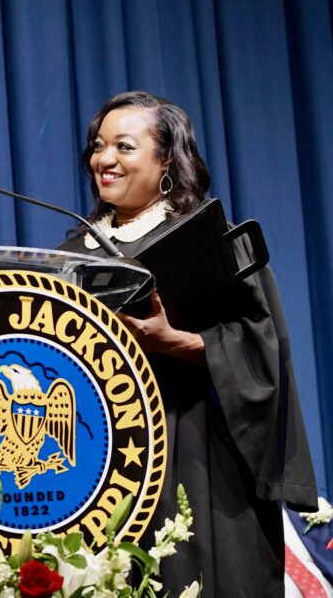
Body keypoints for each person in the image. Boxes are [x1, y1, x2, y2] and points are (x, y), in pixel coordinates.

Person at [58, 90, 318, 597]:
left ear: (166, 161)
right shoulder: (71, 255)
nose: (104, 159)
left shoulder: (209, 241)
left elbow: (262, 349)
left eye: (124, 146)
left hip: (201, 449)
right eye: (98, 146)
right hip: (103, 460)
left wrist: (177, 343)